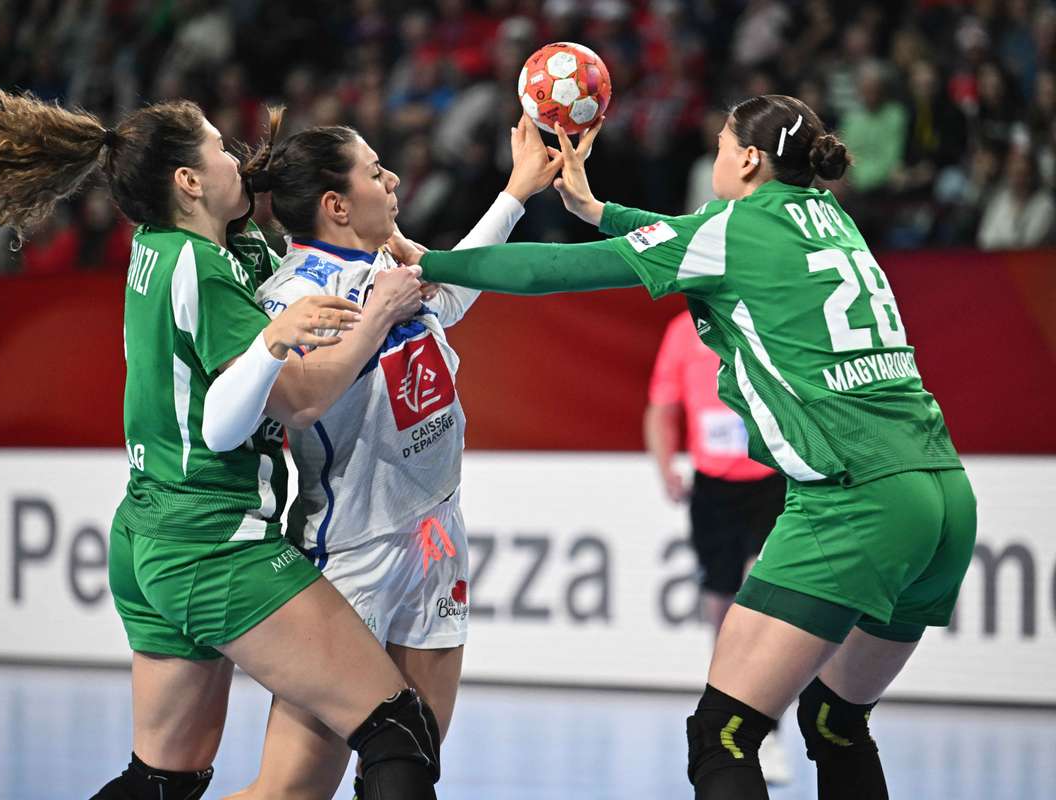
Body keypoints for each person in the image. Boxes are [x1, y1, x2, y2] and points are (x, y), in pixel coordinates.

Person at [0, 78, 446, 800]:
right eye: (219, 149)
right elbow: (299, 397)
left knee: (162, 784)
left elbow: (260, 253)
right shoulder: (201, 269)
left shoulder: (165, 242)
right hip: (213, 542)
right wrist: (376, 317)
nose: (238, 157)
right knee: (397, 729)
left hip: (146, 538)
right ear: (187, 180)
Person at [403, 94, 977, 799]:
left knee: (724, 734)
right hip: (943, 491)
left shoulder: (735, 230)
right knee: (836, 719)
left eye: (718, 145)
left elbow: (553, 271)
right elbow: (694, 237)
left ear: (747, 159)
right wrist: (602, 212)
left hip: (855, 499)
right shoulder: (829, 217)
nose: (712, 158)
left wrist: (432, 261)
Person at [225, 114, 561, 800]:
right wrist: (378, 313)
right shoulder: (292, 298)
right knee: (291, 791)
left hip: (435, 534)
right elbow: (298, 403)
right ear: (336, 205)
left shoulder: (387, 259)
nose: (394, 179)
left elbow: (453, 297)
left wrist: (517, 192)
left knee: (411, 767)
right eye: (375, 171)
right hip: (353, 552)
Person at [645, 309, 792, 785]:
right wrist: (665, 465)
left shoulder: (759, 317)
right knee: (721, 608)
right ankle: (734, 709)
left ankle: (766, 729)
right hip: (713, 486)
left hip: (769, 478)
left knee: (760, 597)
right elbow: (661, 406)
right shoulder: (681, 332)